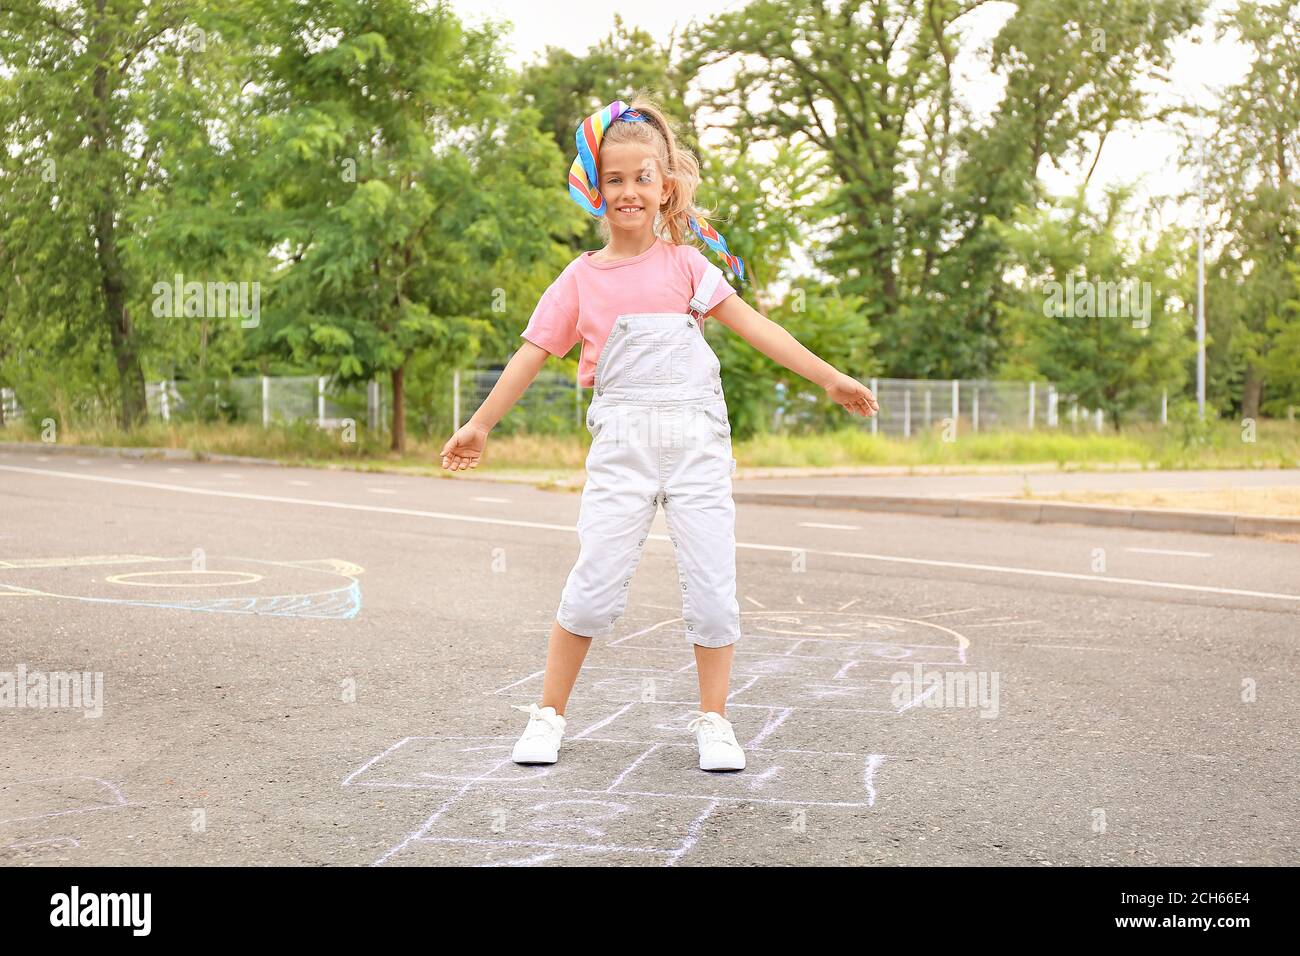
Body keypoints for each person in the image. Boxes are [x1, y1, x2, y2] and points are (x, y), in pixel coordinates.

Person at [439, 94, 878, 772]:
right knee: (592, 586)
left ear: (665, 185)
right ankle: (548, 715)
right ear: (596, 190)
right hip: (623, 448)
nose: (629, 191)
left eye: (643, 177)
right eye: (614, 179)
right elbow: (529, 354)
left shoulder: (687, 268)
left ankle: (715, 721)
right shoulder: (579, 278)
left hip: (698, 444)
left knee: (711, 587)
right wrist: (479, 424)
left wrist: (829, 378)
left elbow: (757, 327)